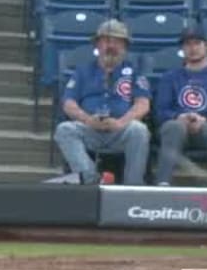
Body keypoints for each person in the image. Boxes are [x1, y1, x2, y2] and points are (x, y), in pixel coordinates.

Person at [53, 19, 152, 186]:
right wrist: (87, 120)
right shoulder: (82, 72)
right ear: (97, 45)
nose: (111, 46)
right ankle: (90, 178)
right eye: (106, 41)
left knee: (140, 130)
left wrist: (121, 123)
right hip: (90, 129)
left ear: (125, 47)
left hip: (120, 131)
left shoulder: (134, 73)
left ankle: (133, 186)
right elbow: (68, 103)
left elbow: (143, 104)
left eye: (117, 42)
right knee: (64, 129)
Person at [152, 26, 207, 186]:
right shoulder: (170, 78)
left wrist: (205, 120)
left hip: (206, 128)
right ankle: (162, 183)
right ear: (182, 48)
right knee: (173, 127)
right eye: (188, 44)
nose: (193, 48)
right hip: (177, 129)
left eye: (197, 43)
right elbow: (161, 110)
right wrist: (179, 117)